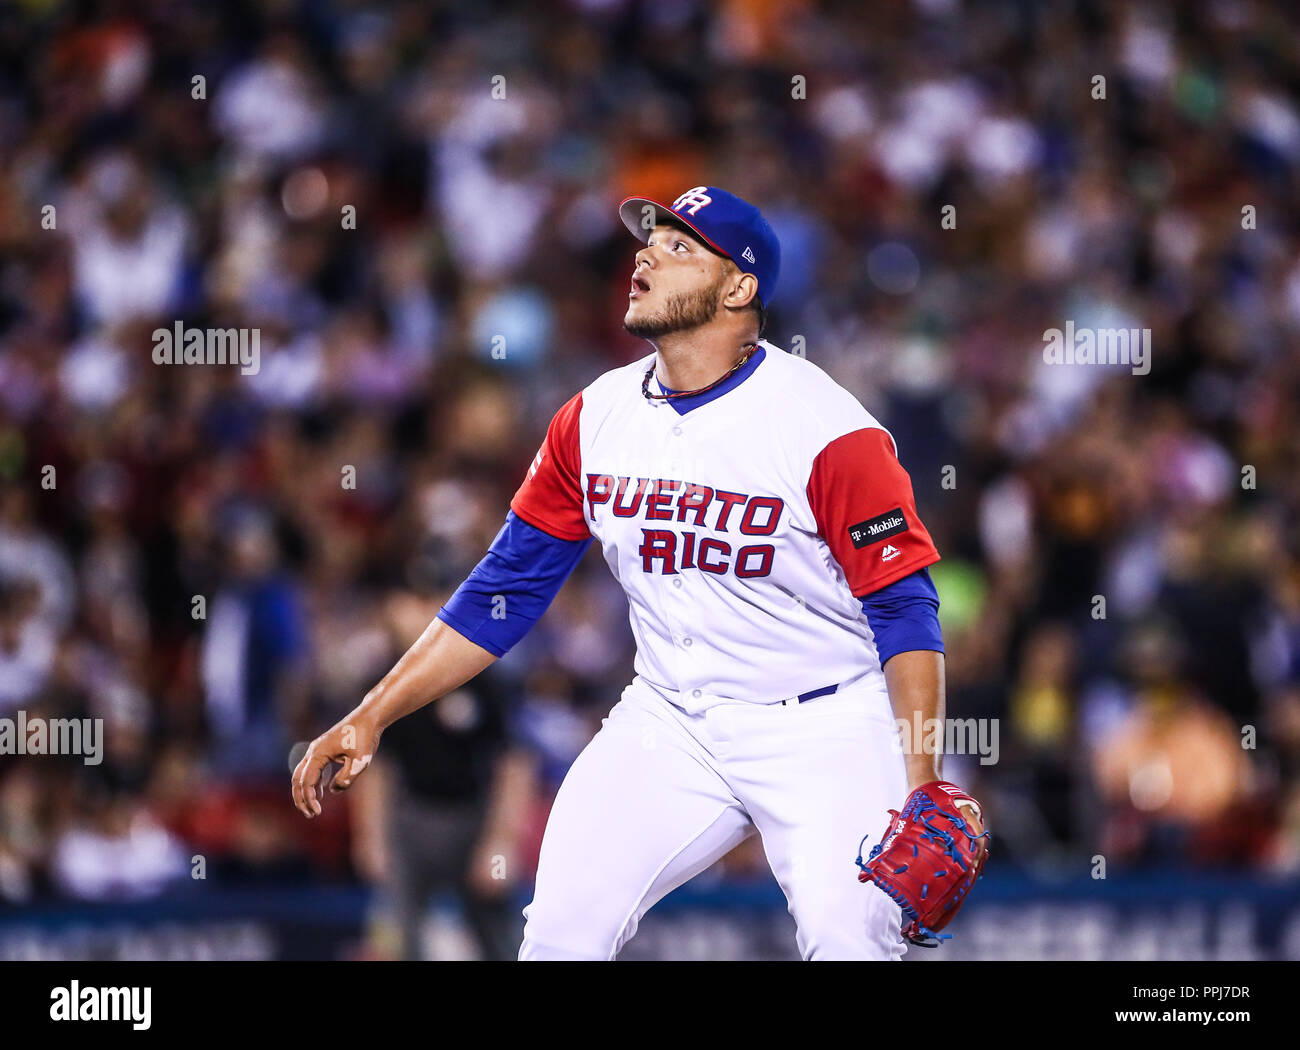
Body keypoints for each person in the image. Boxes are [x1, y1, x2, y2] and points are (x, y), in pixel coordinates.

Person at [293, 186, 982, 960]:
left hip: (824, 721)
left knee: (850, 945)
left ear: (739, 288)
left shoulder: (829, 430)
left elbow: (906, 608)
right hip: (670, 720)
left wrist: (921, 779)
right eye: (650, 239)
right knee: (557, 939)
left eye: (682, 246)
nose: (648, 252)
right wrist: (374, 712)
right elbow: (502, 594)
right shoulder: (593, 418)